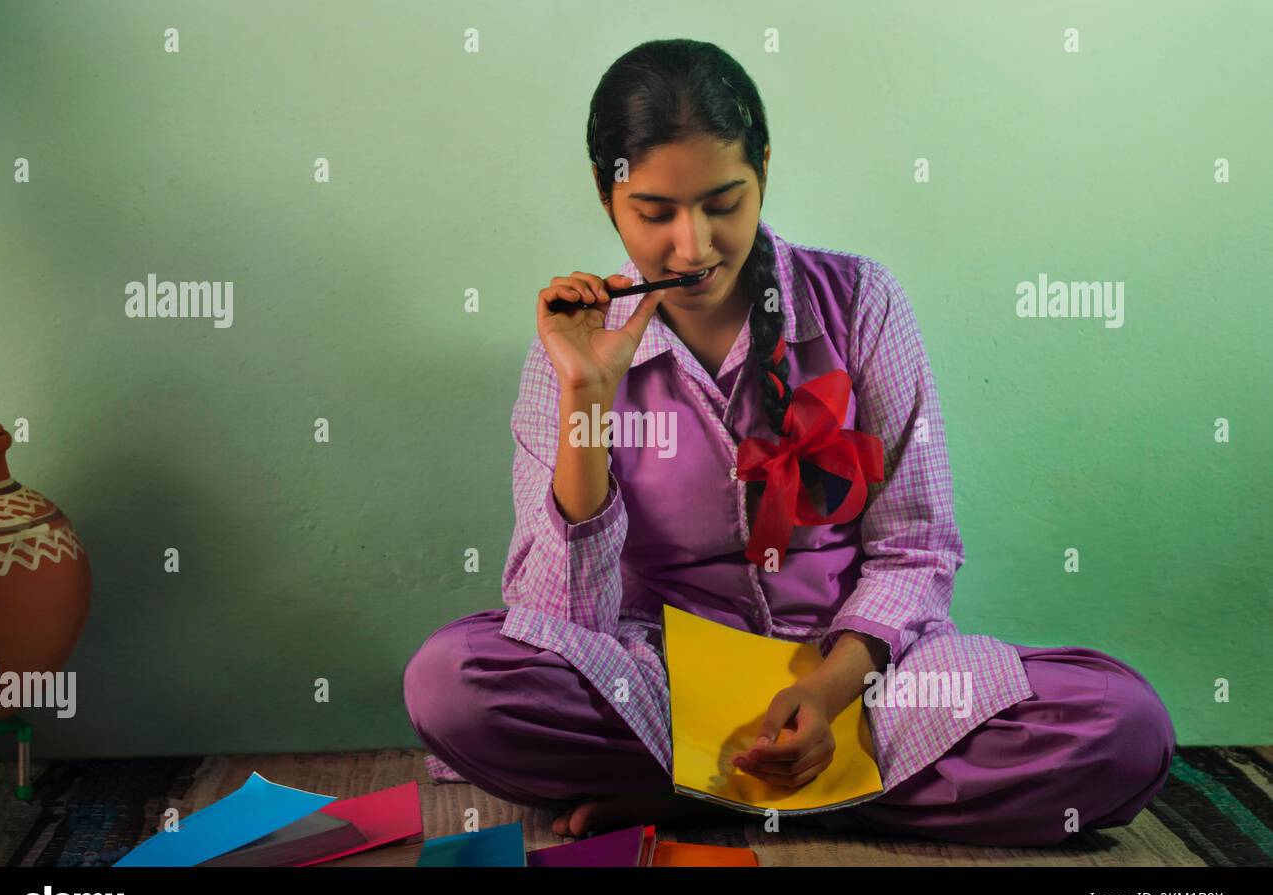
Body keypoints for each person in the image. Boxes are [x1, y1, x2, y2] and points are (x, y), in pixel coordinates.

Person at [403, 39, 1176, 847]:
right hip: (661, 696)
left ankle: (703, 798)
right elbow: (566, 622)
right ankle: (799, 792)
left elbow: (916, 549)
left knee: (1124, 725)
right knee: (454, 684)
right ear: (607, 194)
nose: (693, 246)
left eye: (723, 202)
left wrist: (835, 687)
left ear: (764, 169)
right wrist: (588, 397)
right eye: (655, 212)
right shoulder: (571, 351)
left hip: (862, 691)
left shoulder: (863, 302)